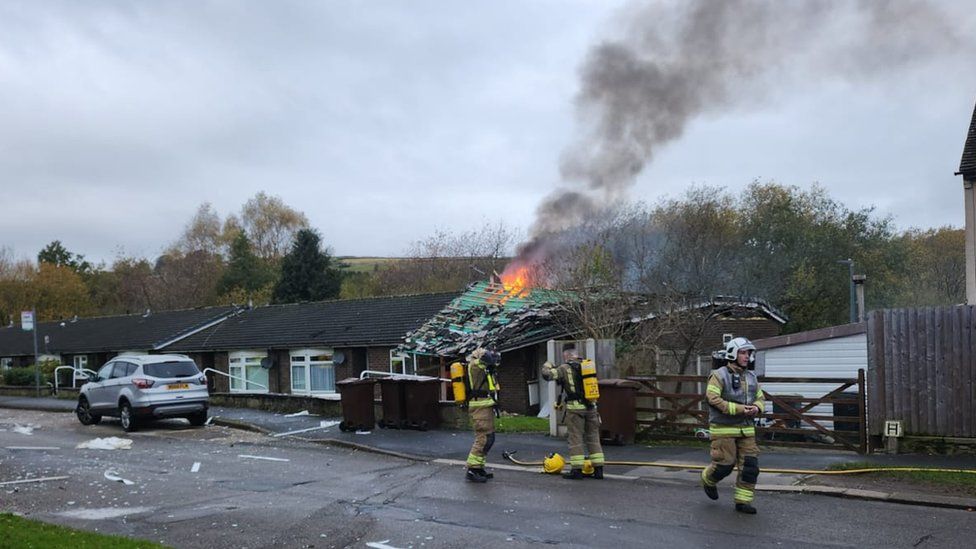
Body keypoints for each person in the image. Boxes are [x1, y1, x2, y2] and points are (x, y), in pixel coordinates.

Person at [701, 336, 765, 514]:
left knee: (750, 468)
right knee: (724, 466)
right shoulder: (719, 375)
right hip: (723, 430)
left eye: (748, 353)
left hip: (747, 431)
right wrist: (739, 409)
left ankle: (743, 501)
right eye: (743, 353)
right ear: (733, 354)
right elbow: (712, 398)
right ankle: (708, 479)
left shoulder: (751, 377)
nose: (747, 356)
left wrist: (756, 408)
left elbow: (761, 398)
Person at [542, 346, 605, 479]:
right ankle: (599, 470)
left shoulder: (564, 368)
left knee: (575, 438)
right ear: (576, 354)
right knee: (593, 437)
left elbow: (547, 375)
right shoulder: (587, 365)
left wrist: (547, 365)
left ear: (566, 355)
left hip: (575, 409)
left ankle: (577, 471)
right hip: (592, 407)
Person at [465, 347, 500, 483]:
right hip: (479, 407)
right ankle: (472, 469)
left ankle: (478, 467)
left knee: (489, 438)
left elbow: (493, 363)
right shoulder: (474, 365)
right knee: (483, 438)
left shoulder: (484, 368)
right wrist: (488, 354)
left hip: (486, 406)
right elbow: (486, 360)